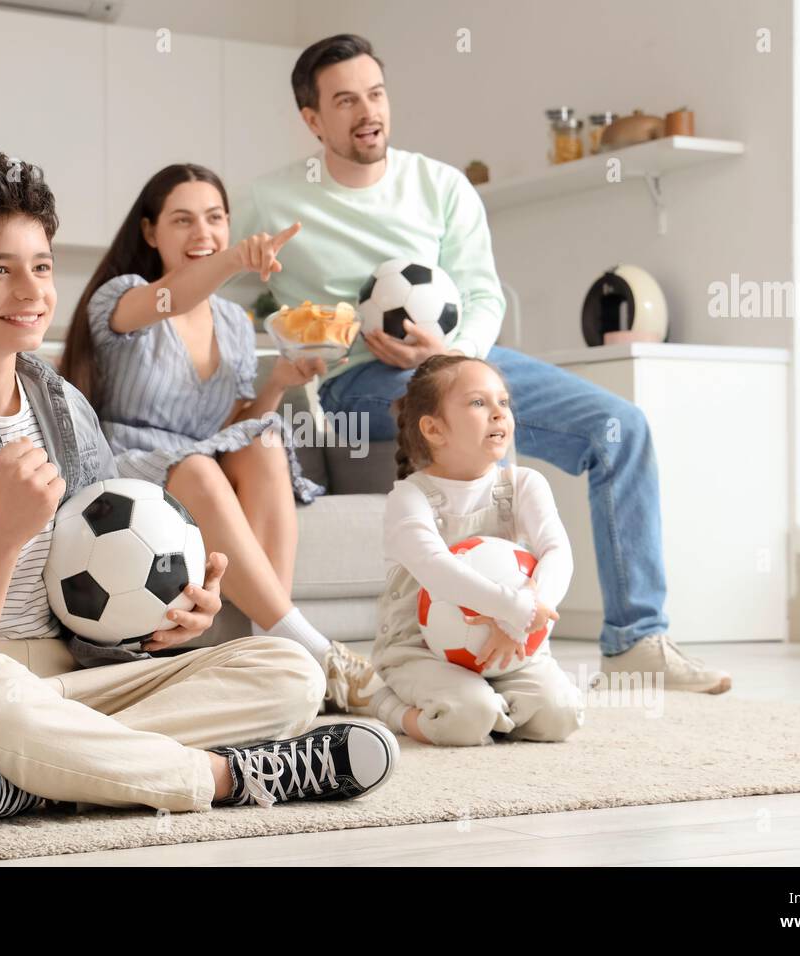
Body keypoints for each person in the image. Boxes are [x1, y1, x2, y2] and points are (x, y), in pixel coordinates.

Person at [0, 153, 397, 837]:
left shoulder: (63, 409)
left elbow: (107, 606)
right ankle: (226, 777)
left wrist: (170, 622)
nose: (32, 291)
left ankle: (21, 781)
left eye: (40, 266)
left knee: (284, 671)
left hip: (70, 684)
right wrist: (2, 536)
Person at [233, 34, 731, 694]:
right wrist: (275, 311)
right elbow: (227, 308)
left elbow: (481, 293)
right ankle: (468, 634)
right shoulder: (269, 202)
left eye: (376, 94)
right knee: (465, 410)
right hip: (361, 382)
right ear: (312, 119)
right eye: (345, 100)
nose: (367, 111)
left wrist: (452, 355)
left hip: (465, 360)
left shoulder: (440, 185)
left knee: (621, 428)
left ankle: (636, 641)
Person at [59, 163, 379, 713]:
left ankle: (268, 646)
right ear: (150, 232)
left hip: (195, 462)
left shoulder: (234, 321)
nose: (202, 233)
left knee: (265, 441)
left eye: (215, 219)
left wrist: (279, 379)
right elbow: (174, 299)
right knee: (202, 467)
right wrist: (234, 260)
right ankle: (306, 649)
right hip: (128, 460)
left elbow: (228, 431)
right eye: (182, 220)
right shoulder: (125, 296)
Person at [369, 354, 584, 745]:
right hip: (421, 651)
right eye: (479, 403)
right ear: (434, 429)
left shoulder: (524, 484)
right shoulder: (410, 498)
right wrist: (512, 608)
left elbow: (558, 552)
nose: (499, 413)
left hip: (509, 644)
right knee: (466, 720)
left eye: (503, 402)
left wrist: (522, 618)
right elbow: (437, 569)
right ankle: (384, 703)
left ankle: (496, 700)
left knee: (561, 716)